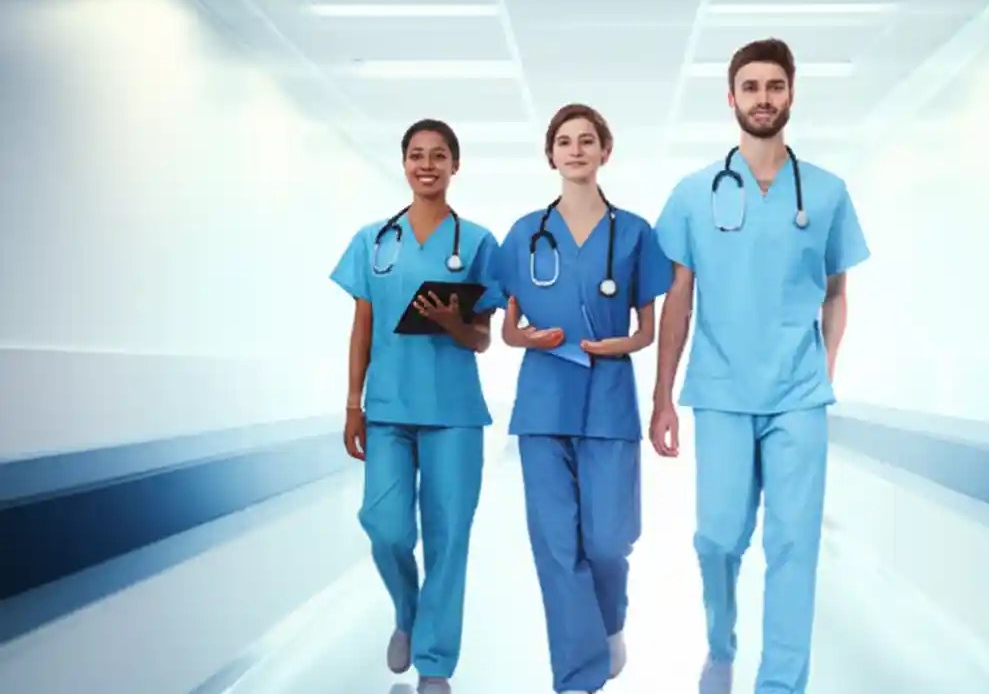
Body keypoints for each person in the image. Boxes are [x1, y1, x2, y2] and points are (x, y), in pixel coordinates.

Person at [648, 38, 871, 694]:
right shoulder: (695, 193)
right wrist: (662, 397)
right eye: (751, 87)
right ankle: (721, 639)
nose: (764, 98)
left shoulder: (826, 193)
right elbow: (678, 298)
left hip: (799, 394)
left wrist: (824, 368)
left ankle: (781, 684)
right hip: (720, 389)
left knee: (794, 544)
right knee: (718, 537)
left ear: (791, 94)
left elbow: (836, 293)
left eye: (775, 86)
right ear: (731, 97)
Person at [492, 103, 673, 694]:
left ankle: (609, 622)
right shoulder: (525, 233)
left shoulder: (635, 232)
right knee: (555, 544)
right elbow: (507, 328)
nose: (575, 149)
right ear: (550, 155)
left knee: (607, 540)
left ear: (605, 151)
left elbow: (647, 329)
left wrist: (624, 343)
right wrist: (525, 337)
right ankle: (578, 677)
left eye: (586, 140)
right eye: (564, 141)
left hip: (609, 398)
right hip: (543, 402)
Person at [330, 118, 505, 694]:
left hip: (454, 414)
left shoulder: (477, 243)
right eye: (416, 155)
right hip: (387, 411)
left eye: (438, 155)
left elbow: (482, 340)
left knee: (449, 538)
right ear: (404, 163)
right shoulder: (374, 241)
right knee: (385, 528)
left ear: (456, 165)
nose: (426, 165)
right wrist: (352, 404)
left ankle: (434, 661)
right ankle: (407, 612)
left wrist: (454, 323)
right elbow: (362, 328)